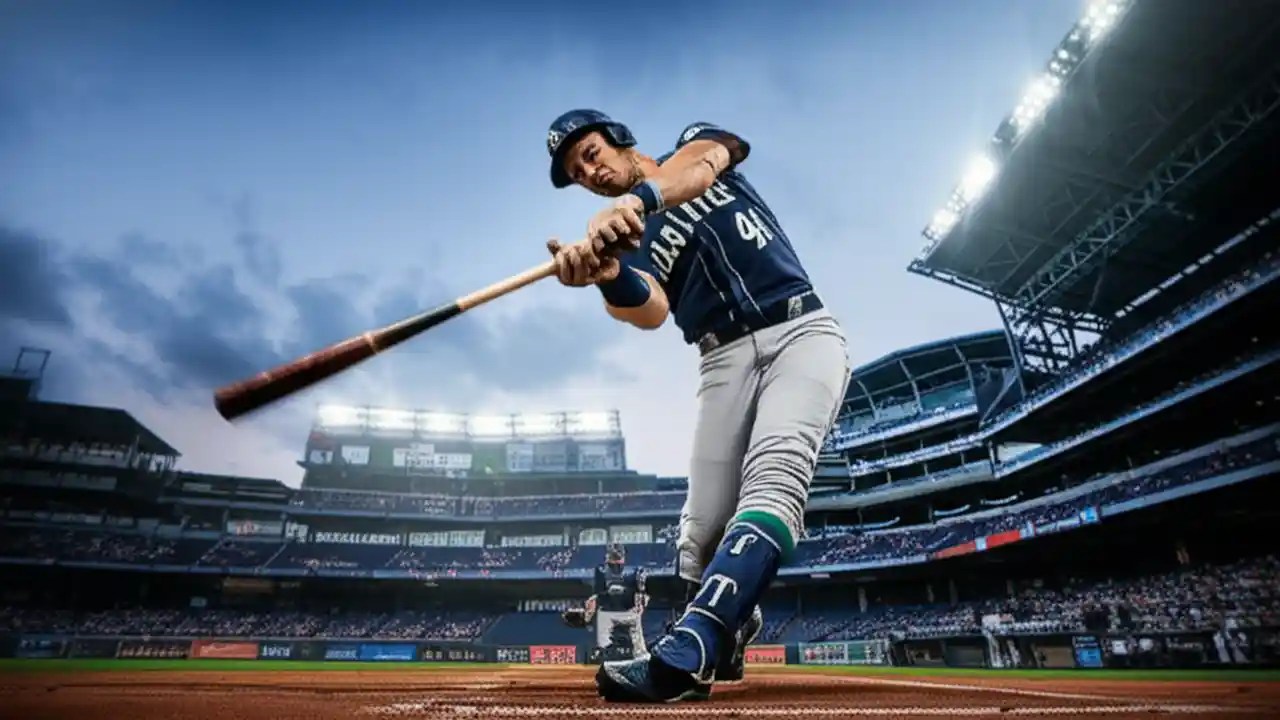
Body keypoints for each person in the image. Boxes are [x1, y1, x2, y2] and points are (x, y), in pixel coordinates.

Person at [544, 109, 851, 702]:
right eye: (578, 173)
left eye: (589, 152)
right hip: (722, 358)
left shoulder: (688, 148)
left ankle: (693, 652)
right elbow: (650, 309)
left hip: (801, 331)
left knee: (774, 481)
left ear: (619, 138)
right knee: (699, 533)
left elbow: (708, 163)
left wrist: (643, 199)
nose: (589, 172)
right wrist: (609, 273)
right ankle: (723, 642)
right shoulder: (629, 239)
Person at [562, 544, 649, 661]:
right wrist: (588, 615)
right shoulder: (606, 571)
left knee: (628, 638)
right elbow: (596, 596)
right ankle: (612, 653)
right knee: (612, 634)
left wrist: (639, 607)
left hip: (620, 613)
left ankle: (630, 655)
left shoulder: (630, 571)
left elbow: (640, 594)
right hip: (616, 613)